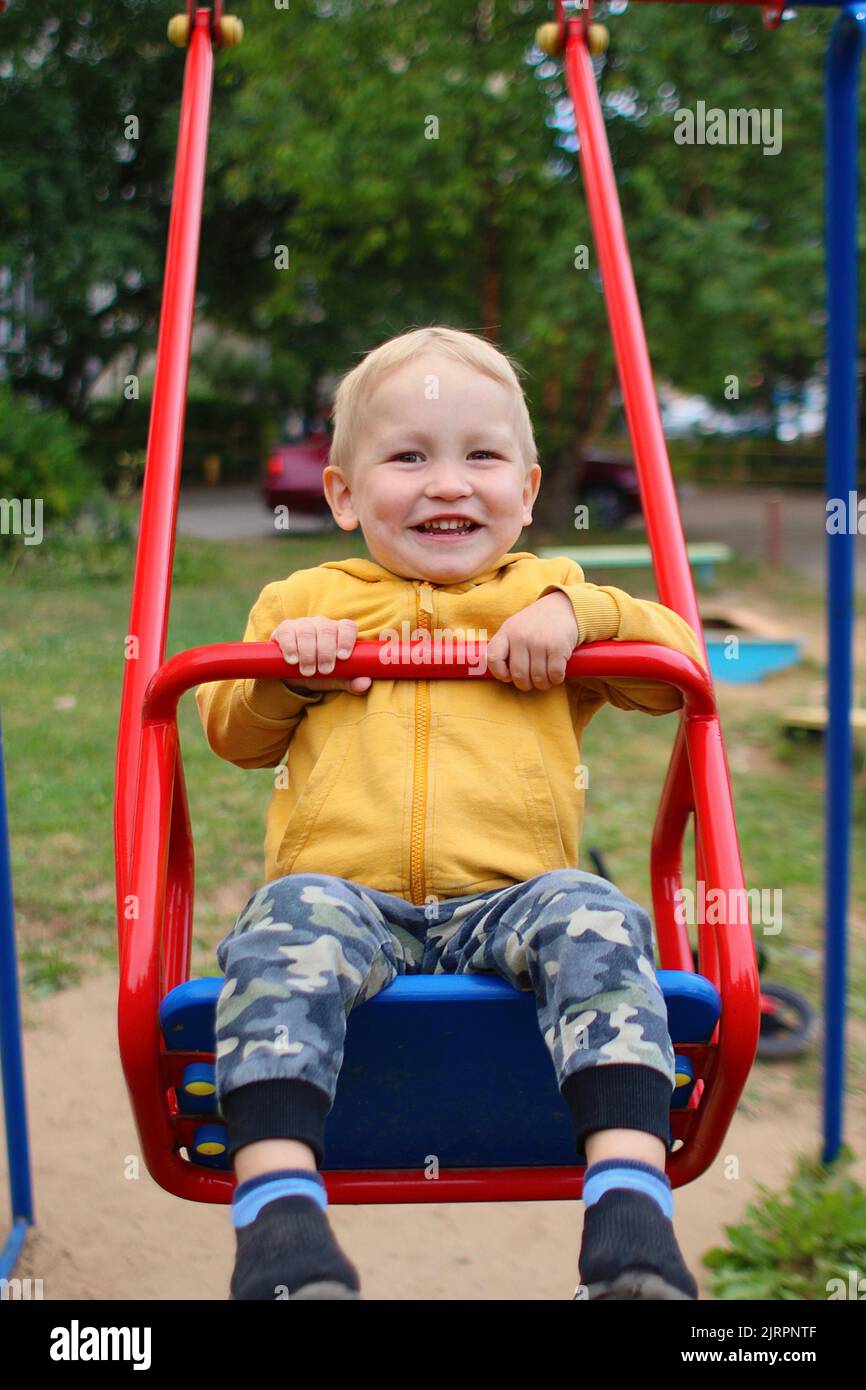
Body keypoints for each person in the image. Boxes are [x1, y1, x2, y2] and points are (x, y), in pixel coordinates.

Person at [195, 324, 708, 1302]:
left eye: (480, 456)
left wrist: (579, 616)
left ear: (524, 489)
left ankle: (628, 1215)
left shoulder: (544, 596)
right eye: (407, 457)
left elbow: (676, 673)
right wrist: (289, 671)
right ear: (342, 495)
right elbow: (232, 732)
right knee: (278, 923)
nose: (446, 483)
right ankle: (279, 1223)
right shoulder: (305, 598)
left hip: (508, 901)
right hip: (348, 900)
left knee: (592, 910)